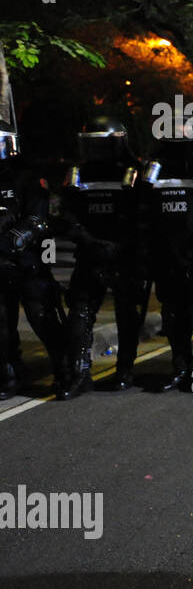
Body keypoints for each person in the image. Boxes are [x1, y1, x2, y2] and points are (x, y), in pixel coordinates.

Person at [56, 115, 146, 397]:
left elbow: (143, 215)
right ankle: (80, 373)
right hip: (90, 252)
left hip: (124, 254)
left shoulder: (134, 171)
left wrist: (121, 245)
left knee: (127, 314)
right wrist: (88, 240)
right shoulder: (78, 172)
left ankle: (125, 370)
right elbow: (67, 214)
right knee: (80, 313)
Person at [138, 111, 193, 392]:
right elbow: (144, 207)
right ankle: (180, 368)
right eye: (172, 127)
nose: (177, 132)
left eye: (183, 127)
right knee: (173, 314)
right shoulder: (156, 163)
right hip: (167, 251)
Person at [0, 116, 70, 399]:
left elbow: (37, 218)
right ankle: (10, 376)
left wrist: (13, 241)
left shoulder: (27, 176)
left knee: (42, 318)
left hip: (27, 260)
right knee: (2, 326)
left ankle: (65, 372)